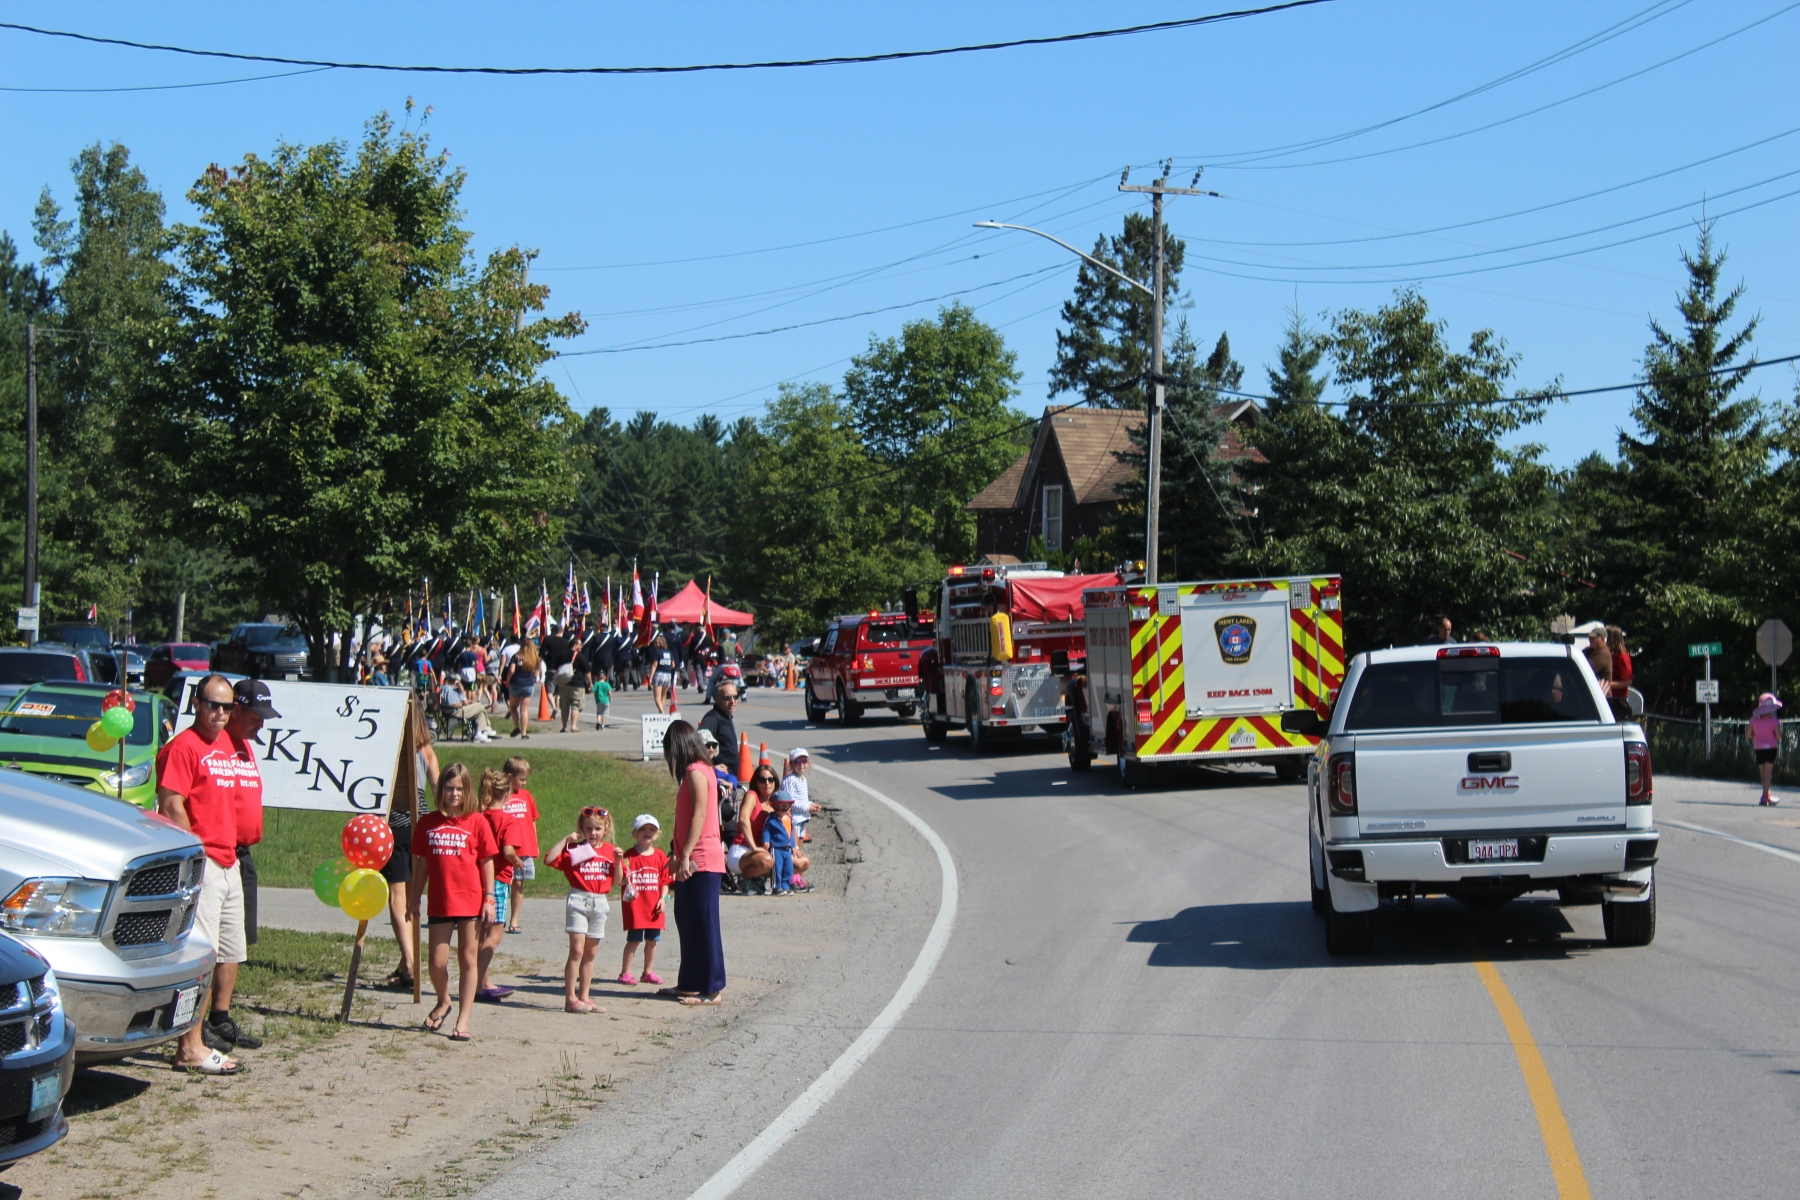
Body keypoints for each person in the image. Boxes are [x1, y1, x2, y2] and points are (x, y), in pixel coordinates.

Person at [156, 674, 256, 1074]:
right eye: (213, 705)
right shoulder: (183, 747)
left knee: (228, 952)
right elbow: (171, 804)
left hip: (229, 860)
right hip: (205, 862)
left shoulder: (227, 745)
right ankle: (189, 1046)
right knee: (200, 957)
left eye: (227, 707)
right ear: (196, 704)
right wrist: (196, 854)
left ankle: (209, 1028)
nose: (220, 713)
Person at [408, 763, 497, 1041]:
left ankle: (463, 1018)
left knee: (468, 958)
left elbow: (487, 861)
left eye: (459, 788)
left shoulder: (477, 821)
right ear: (440, 790)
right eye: (449, 788)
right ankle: (444, 1000)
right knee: (436, 962)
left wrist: (489, 897)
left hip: (471, 901)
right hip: (441, 901)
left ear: (467, 790)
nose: (454, 793)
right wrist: (414, 897)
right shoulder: (428, 823)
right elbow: (422, 864)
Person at [217, 679, 278, 1052]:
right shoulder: (218, 744)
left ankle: (220, 1016)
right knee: (215, 941)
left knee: (236, 941)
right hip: (219, 852)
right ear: (235, 709)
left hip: (242, 852)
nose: (262, 724)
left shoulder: (244, 745)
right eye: (256, 716)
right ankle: (202, 1019)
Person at [663, 721, 726, 1005]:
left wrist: (686, 853)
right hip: (688, 858)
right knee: (686, 919)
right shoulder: (697, 771)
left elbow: (699, 815)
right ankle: (689, 982)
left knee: (704, 922)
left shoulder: (698, 771)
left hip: (702, 858)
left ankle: (712, 988)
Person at [381, 703, 436, 992]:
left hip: (395, 824)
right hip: (421, 824)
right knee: (414, 898)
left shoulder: (386, 748)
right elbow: (438, 788)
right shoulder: (425, 751)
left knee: (397, 897)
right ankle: (406, 963)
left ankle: (410, 963)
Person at [545, 806, 617, 1012]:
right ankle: (570, 999)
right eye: (588, 828)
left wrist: (620, 861)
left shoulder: (610, 851)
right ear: (581, 829)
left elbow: (619, 879)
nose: (593, 833)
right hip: (578, 899)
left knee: (590, 953)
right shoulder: (575, 849)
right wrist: (566, 841)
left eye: (597, 829)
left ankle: (585, 996)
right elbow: (549, 859)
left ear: (606, 829)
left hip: (599, 902)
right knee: (577, 950)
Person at [475, 770, 523, 1003]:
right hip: (498, 880)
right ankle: (476, 984)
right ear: (508, 793)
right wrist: (517, 861)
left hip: (478, 878)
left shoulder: (478, 817)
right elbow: (507, 851)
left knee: (481, 934)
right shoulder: (507, 820)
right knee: (494, 935)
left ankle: (484, 981)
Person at [618, 814, 671, 985]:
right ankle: (625, 972)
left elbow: (665, 882)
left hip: (654, 908)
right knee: (633, 940)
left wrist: (664, 899)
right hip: (636, 907)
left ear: (657, 834)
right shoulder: (629, 855)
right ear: (635, 833)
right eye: (643, 829)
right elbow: (621, 879)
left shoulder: (660, 856)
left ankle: (648, 972)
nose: (647, 832)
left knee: (652, 941)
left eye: (651, 830)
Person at [501, 756, 541, 933]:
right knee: (502, 883)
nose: (524, 783)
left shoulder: (526, 796)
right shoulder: (500, 795)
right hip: (505, 848)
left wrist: (534, 844)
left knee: (518, 882)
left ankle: (514, 919)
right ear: (510, 777)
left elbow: (532, 820)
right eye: (522, 779)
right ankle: (498, 917)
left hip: (523, 847)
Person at [729, 764, 777, 895]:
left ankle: (757, 879)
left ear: (775, 781)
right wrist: (754, 847)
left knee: (799, 863)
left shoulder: (776, 803)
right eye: (762, 780)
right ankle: (744, 879)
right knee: (767, 861)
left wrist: (794, 848)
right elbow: (743, 819)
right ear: (756, 782)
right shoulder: (752, 795)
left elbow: (789, 823)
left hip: (762, 852)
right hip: (742, 849)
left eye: (770, 779)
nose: (767, 783)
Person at [439, 674, 496, 742]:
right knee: (480, 706)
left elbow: (463, 696)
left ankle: (479, 734)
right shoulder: (447, 688)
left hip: (458, 709)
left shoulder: (454, 690)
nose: (455, 683)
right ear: (448, 681)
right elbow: (452, 704)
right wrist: (463, 704)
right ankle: (487, 728)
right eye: (454, 681)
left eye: (457, 681)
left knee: (480, 713)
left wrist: (460, 686)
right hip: (455, 711)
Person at [1751, 693, 1783, 806]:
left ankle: (1767, 795)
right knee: (1768, 773)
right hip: (1771, 747)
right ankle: (1765, 797)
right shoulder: (1774, 721)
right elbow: (1779, 736)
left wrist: (1758, 735)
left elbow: (1748, 734)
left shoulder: (1753, 720)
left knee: (1762, 772)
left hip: (1758, 747)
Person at [765, 788, 797, 896]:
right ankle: (776, 887)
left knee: (788, 869)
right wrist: (766, 840)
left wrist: (793, 846)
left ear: (789, 806)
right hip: (776, 848)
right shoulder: (771, 819)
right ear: (774, 807)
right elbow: (766, 831)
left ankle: (785, 886)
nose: (781, 809)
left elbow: (791, 833)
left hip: (787, 849)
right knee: (777, 868)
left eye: (785, 806)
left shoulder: (790, 819)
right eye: (778, 806)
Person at [698, 681, 740, 763]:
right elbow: (699, 743)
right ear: (717, 699)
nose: (732, 701)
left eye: (735, 697)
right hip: (718, 770)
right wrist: (713, 767)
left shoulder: (726, 716)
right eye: (727, 698)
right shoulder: (712, 718)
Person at [508, 639, 541, 738]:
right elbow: (536, 673)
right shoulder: (535, 658)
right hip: (528, 684)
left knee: (513, 707)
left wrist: (507, 680)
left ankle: (516, 727)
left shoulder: (516, 657)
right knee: (524, 710)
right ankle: (524, 733)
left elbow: (512, 670)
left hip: (516, 683)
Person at [558, 646, 590, 733]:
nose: (581, 646)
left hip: (564, 683)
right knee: (575, 705)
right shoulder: (580, 656)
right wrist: (590, 682)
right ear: (575, 645)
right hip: (577, 683)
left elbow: (556, 666)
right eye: (579, 644)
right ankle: (573, 726)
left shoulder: (562, 655)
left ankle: (564, 727)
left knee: (564, 706)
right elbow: (587, 671)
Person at [1581, 626, 1613, 690]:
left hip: (1600, 693)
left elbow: (1583, 670)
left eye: (1593, 638)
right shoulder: (1591, 649)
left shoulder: (1603, 655)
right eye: (1590, 637)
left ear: (1602, 639)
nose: (1590, 639)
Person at [650, 635, 676, 714]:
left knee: (657, 698)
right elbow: (673, 665)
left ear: (661, 643)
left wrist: (651, 676)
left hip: (659, 674)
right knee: (663, 696)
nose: (655, 644)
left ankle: (662, 712)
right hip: (668, 675)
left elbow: (654, 665)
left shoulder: (657, 652)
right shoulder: (669, 653)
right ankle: (661, 713)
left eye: (657, 643)